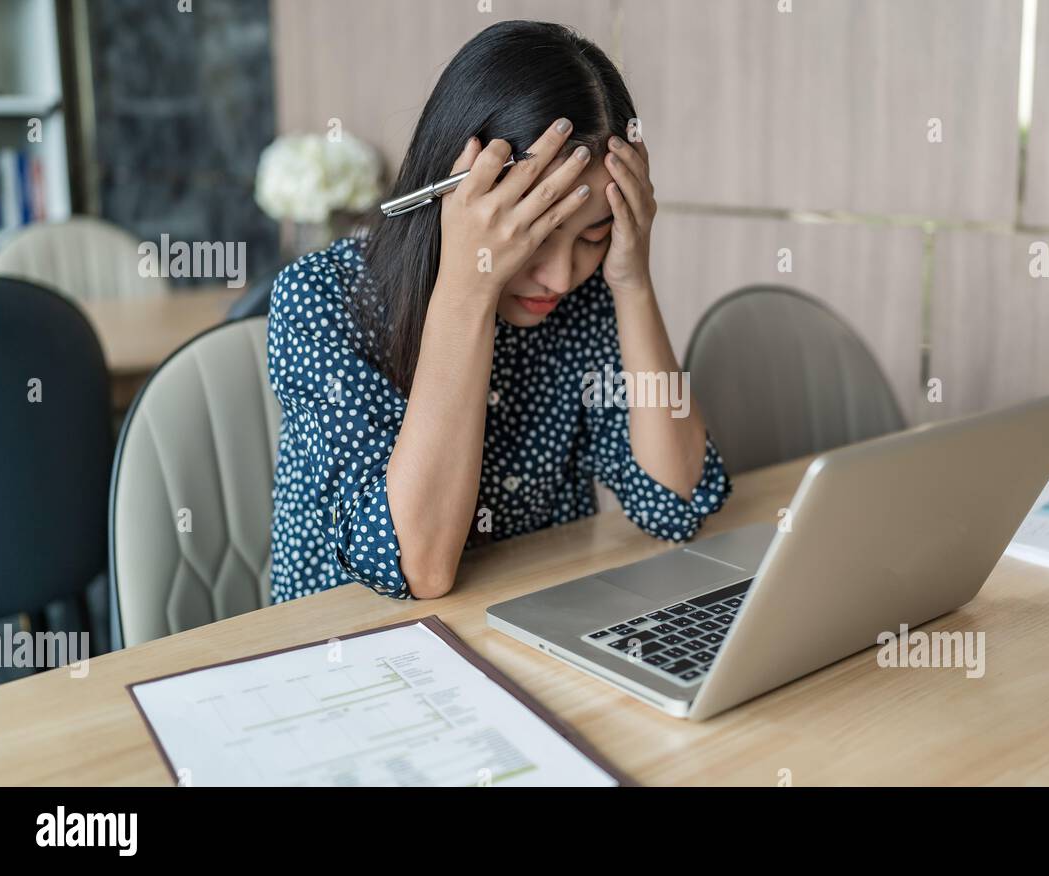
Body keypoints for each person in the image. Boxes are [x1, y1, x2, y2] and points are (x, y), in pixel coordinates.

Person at [267, 20, 731, 602]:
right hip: (344, 655)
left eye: (592, 236)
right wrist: (468, 289)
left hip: (526, 631)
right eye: (534, 237)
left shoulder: (583, 298)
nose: (560, 276)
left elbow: (675, 501)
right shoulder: (321, 298)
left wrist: (631, 280)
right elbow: (418, 568)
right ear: (455, 197)